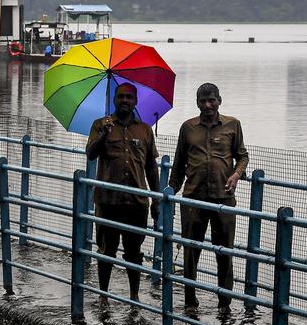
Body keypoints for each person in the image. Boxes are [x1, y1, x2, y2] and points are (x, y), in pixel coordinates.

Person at [169, 83, 250, 313]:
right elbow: (178, 165)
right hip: (193, 199)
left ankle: (224, 304)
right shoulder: (188, 128)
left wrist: (236, 174)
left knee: (224, 253)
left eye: (212, 100)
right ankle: (190, 303)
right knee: (190, 252)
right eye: (203, 101)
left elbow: (242, 156)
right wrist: (169, 192)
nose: (208, 105)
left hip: (224, 200)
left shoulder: (233, 125)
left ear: (219, 100)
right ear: (197, 102)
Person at [86, 83, 159, 302]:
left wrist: (157, 200)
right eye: (120, 97)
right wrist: (103, 136)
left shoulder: (145, 129)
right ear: (114, 100)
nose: (124, 101)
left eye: (129, 97)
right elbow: (90, 154)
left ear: (135, 101)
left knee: (134, 252)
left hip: (136, 202)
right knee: (106, 250)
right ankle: (103, 295)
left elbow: (151, 167)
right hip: (108, 201)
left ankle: (134, 295)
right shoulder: (100, 125)